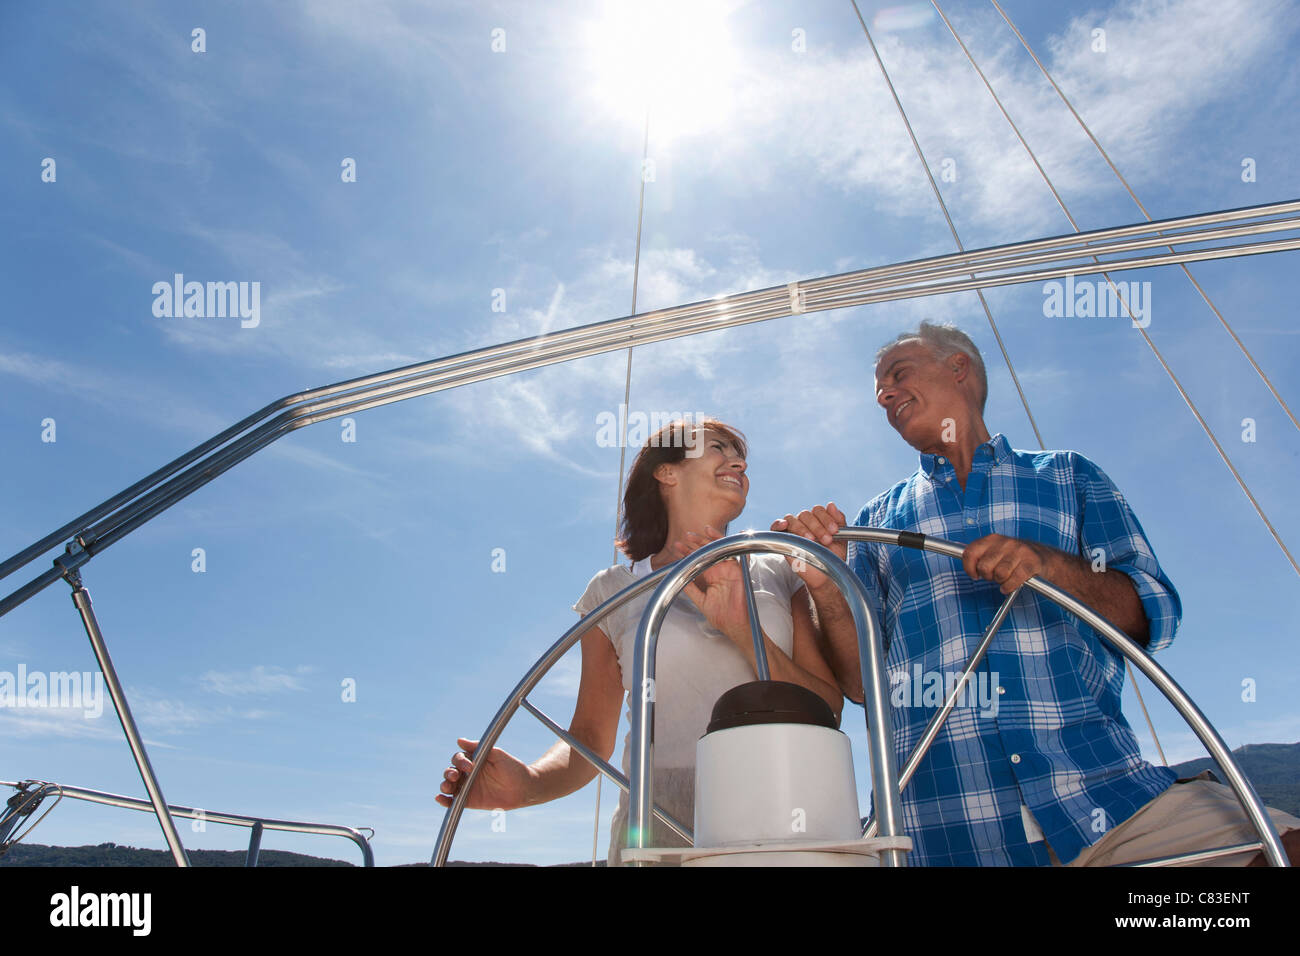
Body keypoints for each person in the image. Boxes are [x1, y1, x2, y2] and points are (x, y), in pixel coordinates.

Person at [776, 320, 1300, 866]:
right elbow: (861, 684)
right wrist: (826, 586)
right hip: (945, 831)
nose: (885, 394)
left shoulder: (1069, 476)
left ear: (959, 368)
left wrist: (1051, 566)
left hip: (1107, 801)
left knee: (1281, 852)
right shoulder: (874, 522)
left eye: (898, 374)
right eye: (880, 391)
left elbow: (1155, 614)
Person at [437, 418, 842, 865]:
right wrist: (528, 784)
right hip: (657, 818)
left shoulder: (780, 568)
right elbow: (589, 738)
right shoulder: (610, 591)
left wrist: (743, 632)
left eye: (740, 456)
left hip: (784, 798)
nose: (739, 463)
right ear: (665, 472)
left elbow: (827, 706)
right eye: (718, 448)